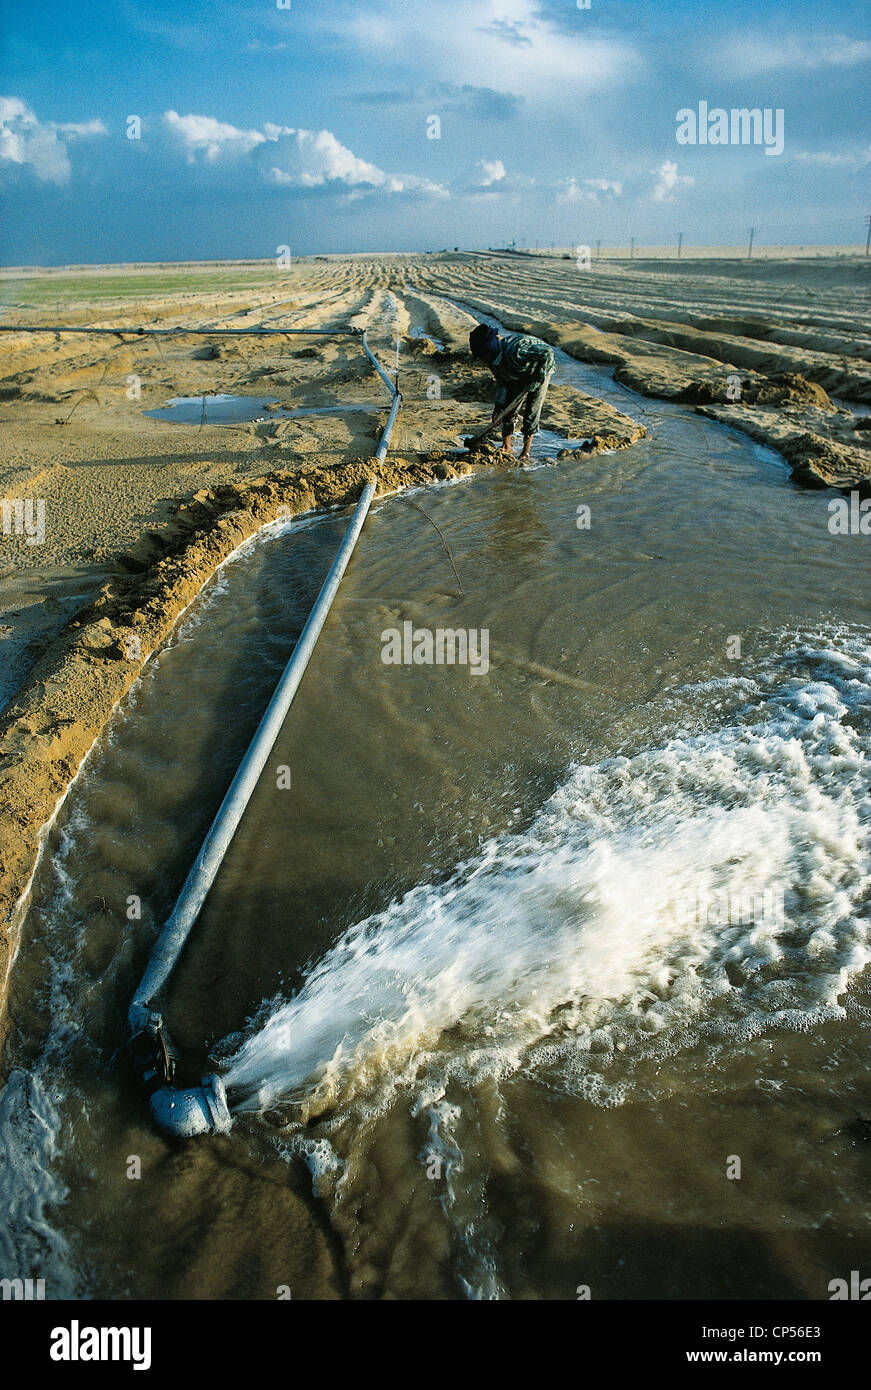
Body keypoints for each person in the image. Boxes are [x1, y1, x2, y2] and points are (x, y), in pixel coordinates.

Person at [469, 323, 555, 460]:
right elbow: (502, 384)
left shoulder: (517, 350)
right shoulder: (494, 363)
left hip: (540, 369)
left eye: (483, 357)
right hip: (518, 372)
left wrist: (537, 378)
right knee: (508, 411)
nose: (482, 361)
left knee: (532, 410)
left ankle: (526, 452)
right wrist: (498, 407)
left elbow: (547, 353)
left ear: (489, 352)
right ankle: (506, 445)